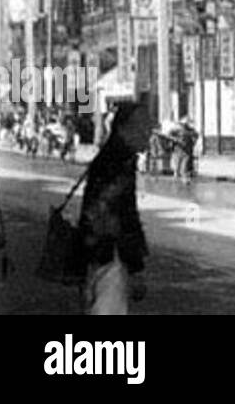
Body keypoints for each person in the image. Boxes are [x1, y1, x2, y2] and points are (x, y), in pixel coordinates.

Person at [79, 102, 150, 315]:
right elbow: (120, 214)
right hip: (109, 256)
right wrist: (135, 264)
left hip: (101, 252)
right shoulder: (116, 164)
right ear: (123, 128)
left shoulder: (115, 158)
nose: (148, 133)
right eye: (143, 127)